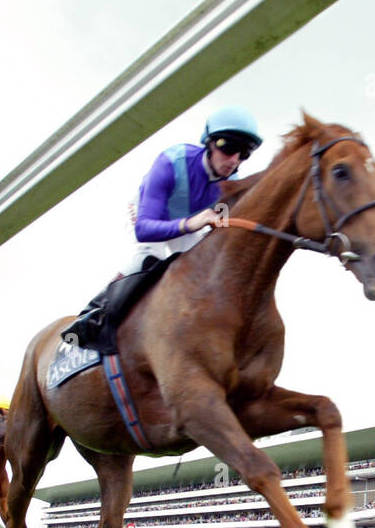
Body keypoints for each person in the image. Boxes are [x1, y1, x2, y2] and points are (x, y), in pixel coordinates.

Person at [63, 105, 264, 354]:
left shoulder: (231, 186)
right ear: (210, 143)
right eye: (228, 147)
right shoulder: (171, 161)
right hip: (147, 214)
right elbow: (145, 229)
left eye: (244, 153)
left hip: (190, 223)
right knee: (150, 257)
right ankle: (92, 317)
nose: (234, 160)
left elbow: (223, 231)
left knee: (203, 270)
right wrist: (192, 224)